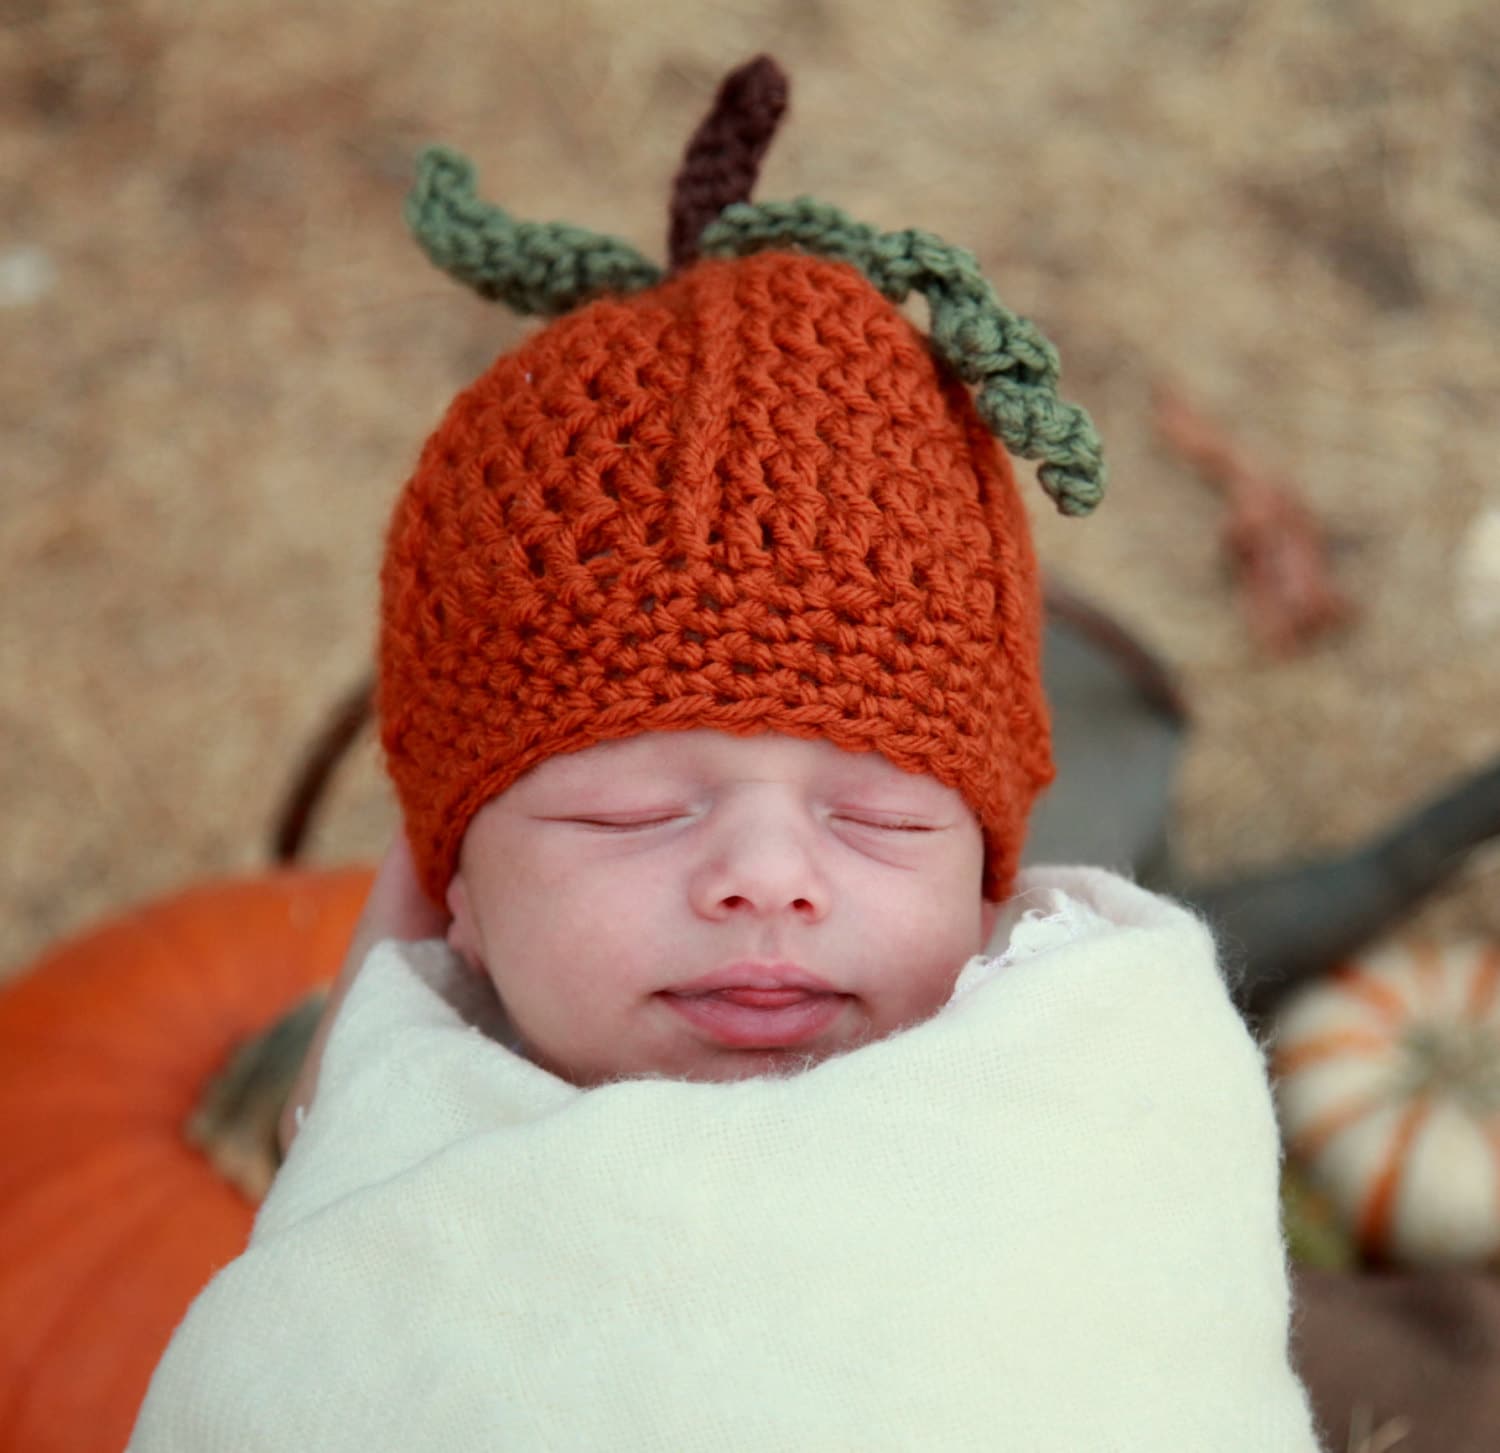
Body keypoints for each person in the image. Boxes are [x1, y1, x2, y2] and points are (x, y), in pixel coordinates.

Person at [133, 57, 1322, 1451]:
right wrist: (342, 1135)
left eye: (880, 818)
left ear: (996, 880)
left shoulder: (1097, 1079)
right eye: (631, 810)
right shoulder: (391, 1185)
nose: (766, 877)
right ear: (452, 879)